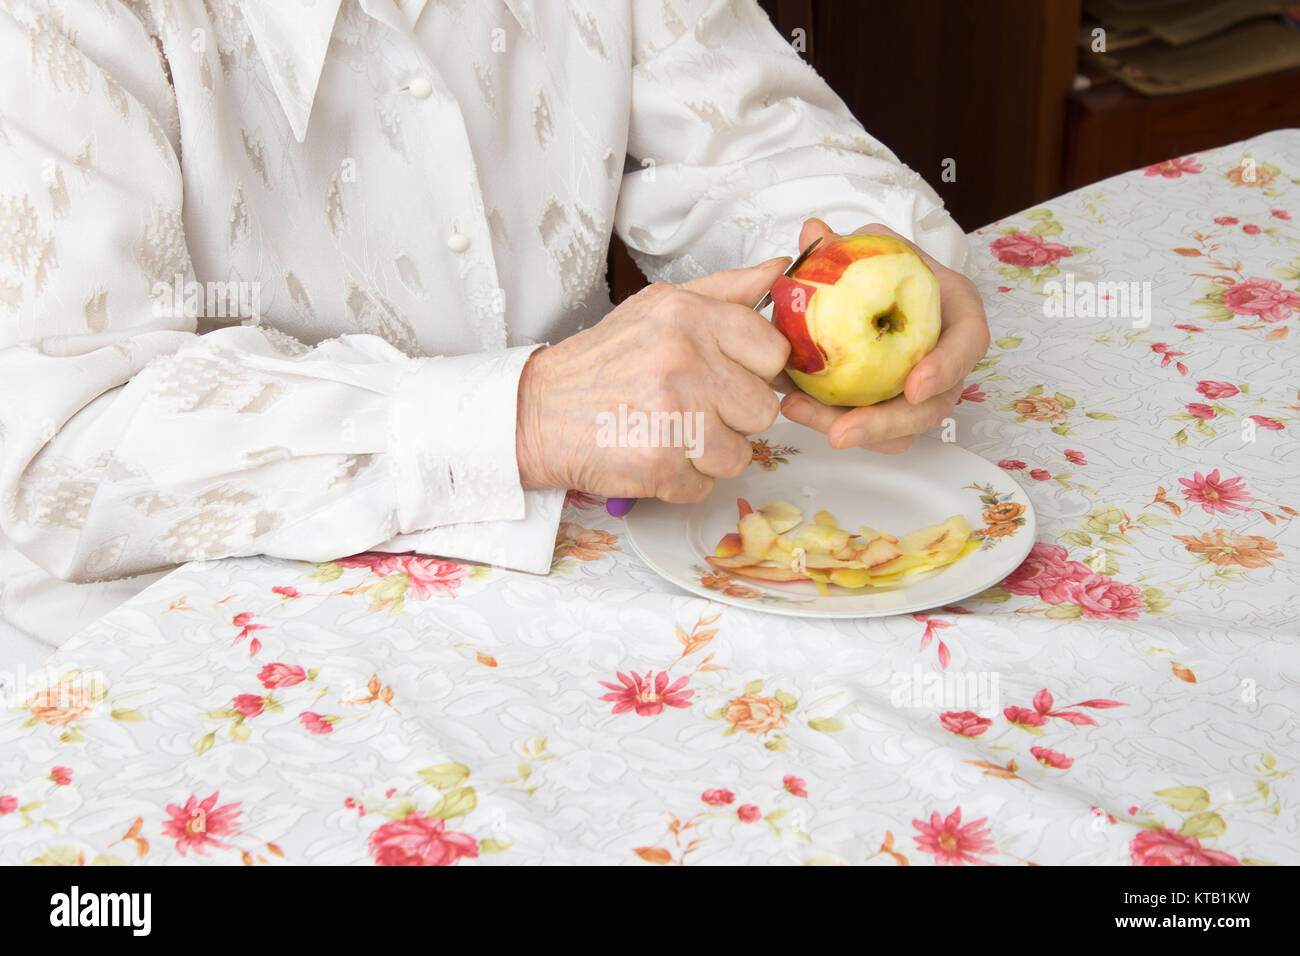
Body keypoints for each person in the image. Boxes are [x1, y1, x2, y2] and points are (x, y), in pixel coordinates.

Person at [0, 0, 987, 661]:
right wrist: (524, 415)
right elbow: (61, 450)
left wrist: (879, 258)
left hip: (557, 594)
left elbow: (755, 148)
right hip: (166, 664)